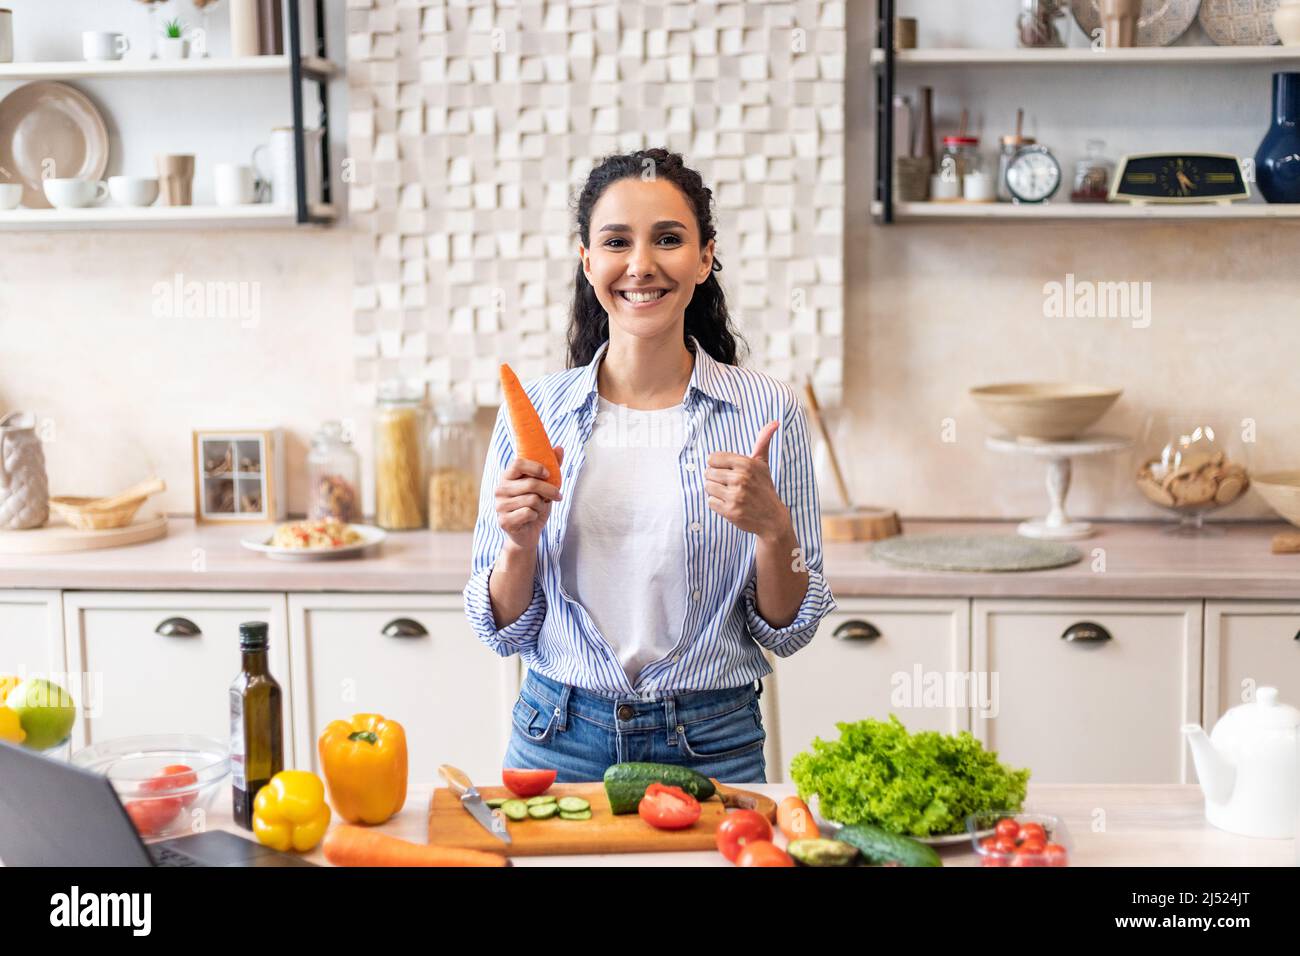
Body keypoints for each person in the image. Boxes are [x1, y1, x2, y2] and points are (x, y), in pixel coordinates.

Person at [463, 148, 836, 783]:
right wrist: (519, 544)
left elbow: (785, 630)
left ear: (704, 257)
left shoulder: (768, 411)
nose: (641, 265)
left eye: (668, 239)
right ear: (588, 261)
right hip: (558, 735)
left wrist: (775, 531)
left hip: (712, 741)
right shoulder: (537, 413)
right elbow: (501, 630)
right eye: (617, 242)